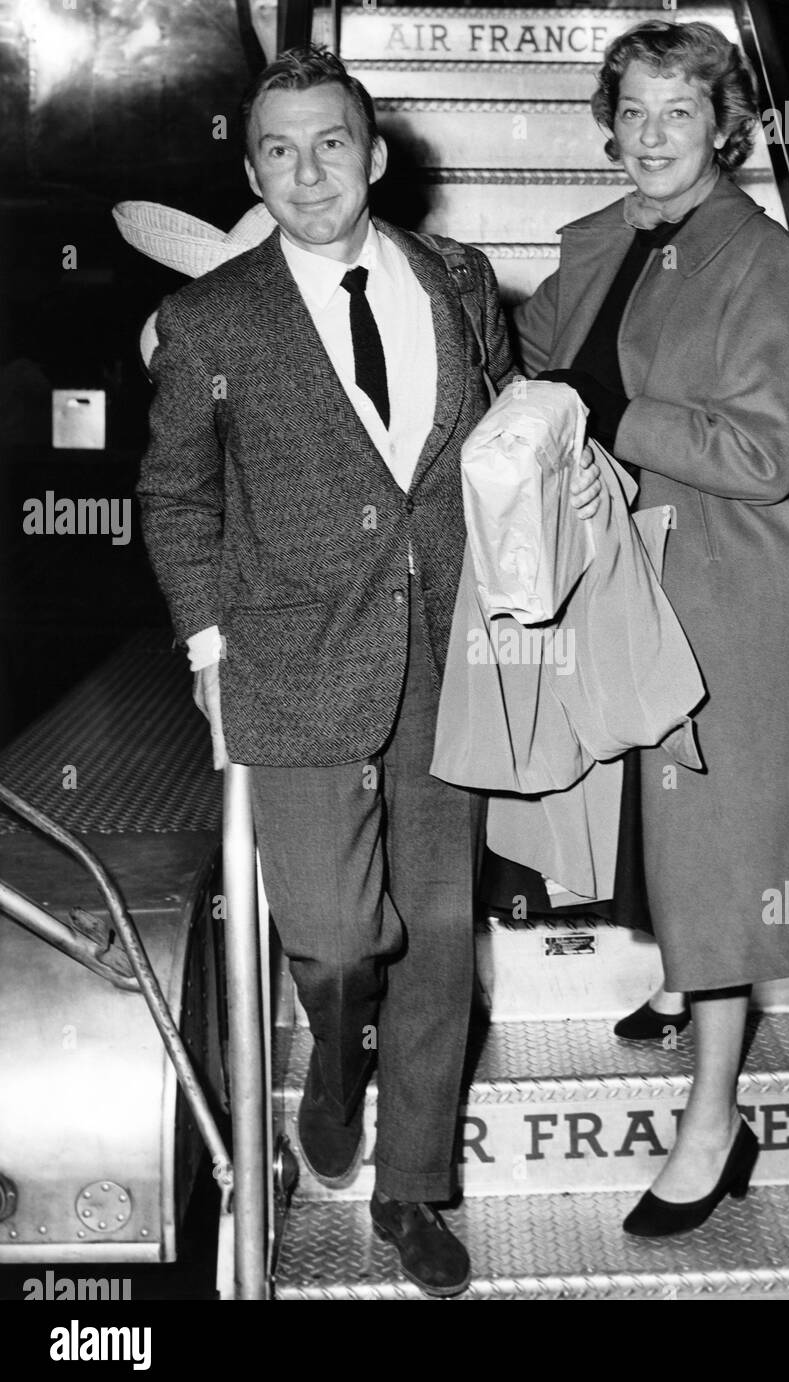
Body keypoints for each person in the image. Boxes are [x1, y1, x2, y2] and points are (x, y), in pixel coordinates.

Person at [136, 44, 601, 1297]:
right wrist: (208, 640)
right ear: (251, 168)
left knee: (440, 935)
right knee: (341, 936)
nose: (306, 172)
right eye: (277, 151)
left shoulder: (454, 277)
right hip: (290, 662)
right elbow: (173, 497)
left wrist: (548, 421)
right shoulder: (209, 318)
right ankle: (335, 1058)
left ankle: (413, 1190)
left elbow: (501, 419)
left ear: (375, 156)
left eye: (329, 143)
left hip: (451, 648)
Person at [515, 18, 789, 1236]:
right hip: (636, 571)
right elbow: (528, 346)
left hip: (733, 587)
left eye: (677, 114)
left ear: (725, 126)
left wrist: (614, 410)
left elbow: (768, 450)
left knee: (716, 852)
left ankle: (714, 1121)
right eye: (633, 113)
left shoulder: (762, 262)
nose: (650, 137)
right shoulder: (616, 241)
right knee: (657, 815)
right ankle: (676, 975)